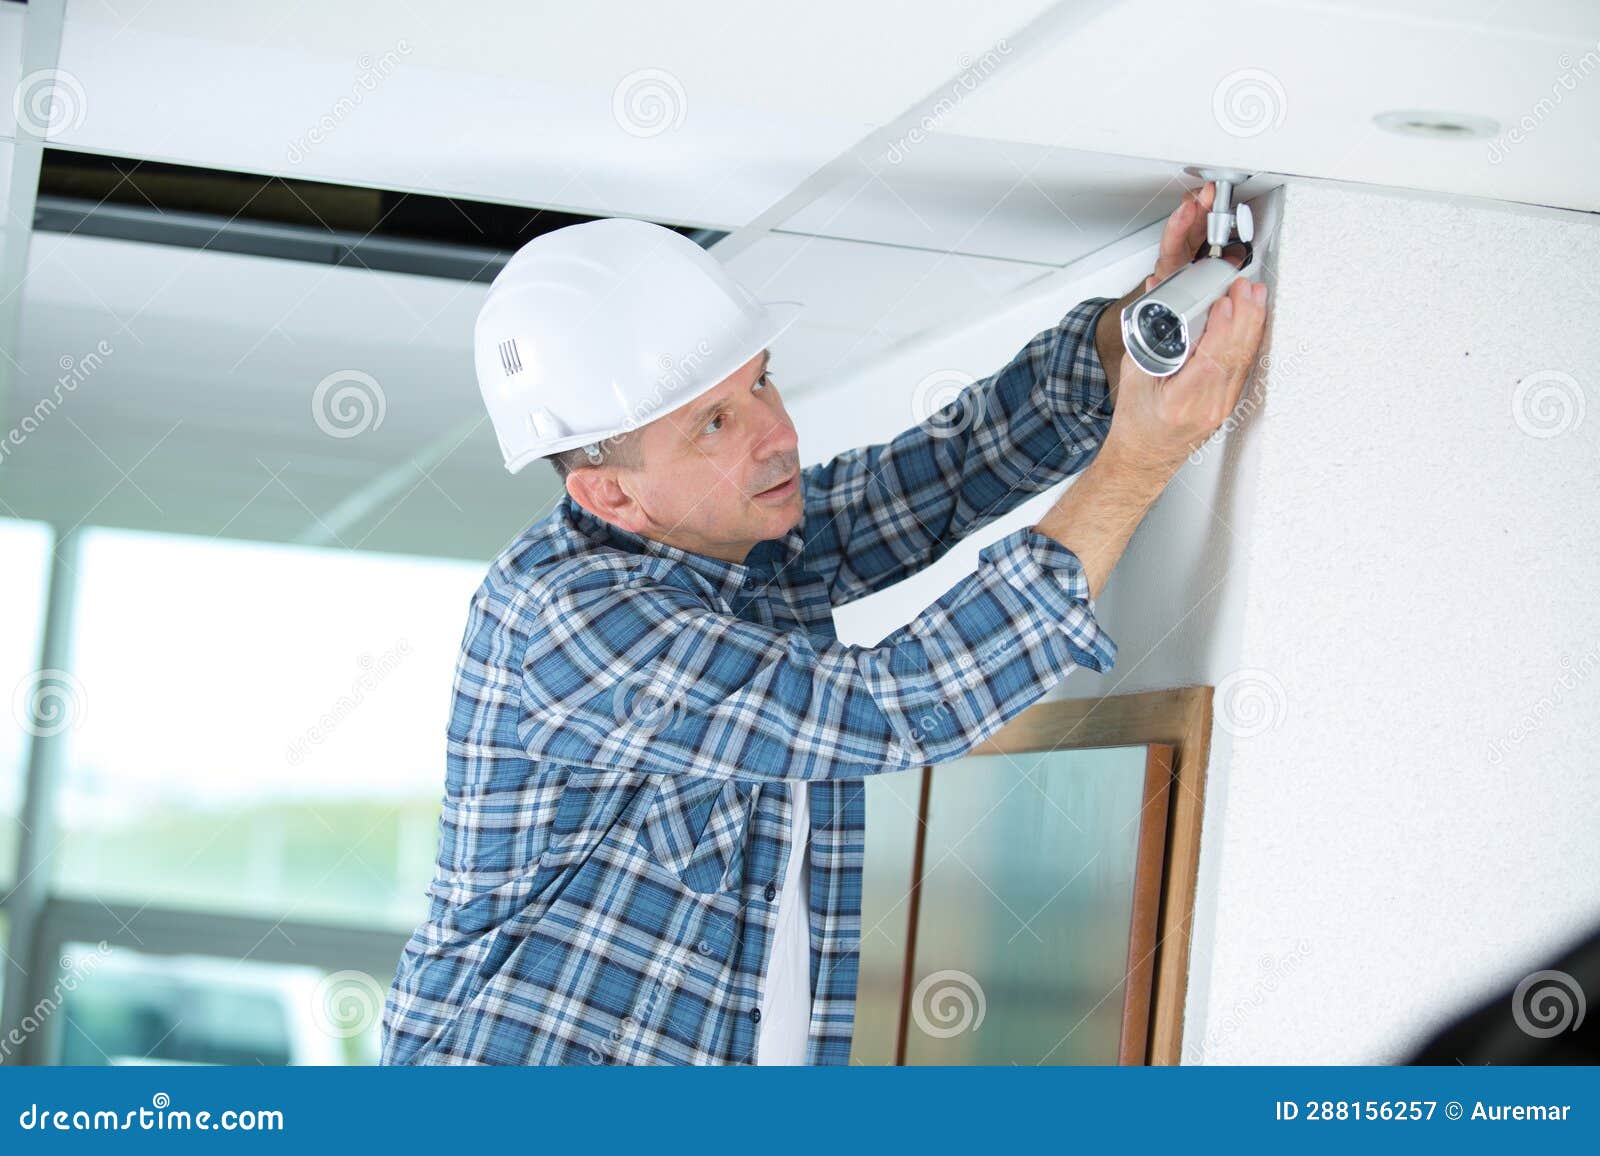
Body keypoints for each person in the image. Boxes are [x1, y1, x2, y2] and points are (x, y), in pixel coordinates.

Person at [379, 183, 1268, 1065]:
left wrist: (1137, 330)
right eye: (715, 424)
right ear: (610, 494)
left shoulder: (733, 540)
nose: (775, 434)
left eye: (761, 381)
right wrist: (1138, 460)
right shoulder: (568, 624)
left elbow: (943, 474)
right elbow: (899, 706)